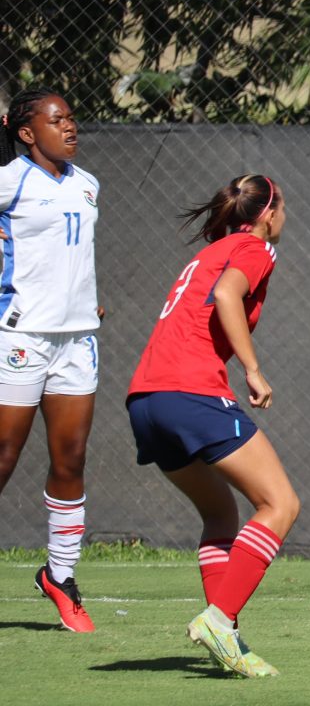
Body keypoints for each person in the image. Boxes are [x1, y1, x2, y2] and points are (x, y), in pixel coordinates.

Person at [126, 174, 299, 677]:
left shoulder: (212, 249)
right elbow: (227, 296)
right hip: (190, 392)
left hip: (146, 398)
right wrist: (252, 368)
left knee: (221, 515)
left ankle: (228, 641)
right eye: (283, 207)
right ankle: (220, 620)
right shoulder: (253, 246)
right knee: (280, 504)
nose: (284, 216)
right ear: (268, 213)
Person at [0, 89, 101, 633]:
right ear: (25, 132)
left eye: (71, 117)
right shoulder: (9, 181)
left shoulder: (87, 185)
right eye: (56, 119)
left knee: (71, 457)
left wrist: (84, 300)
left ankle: (60, 577)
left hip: (77, 339)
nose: (70, 127)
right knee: (4, 455)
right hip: (20, 338)